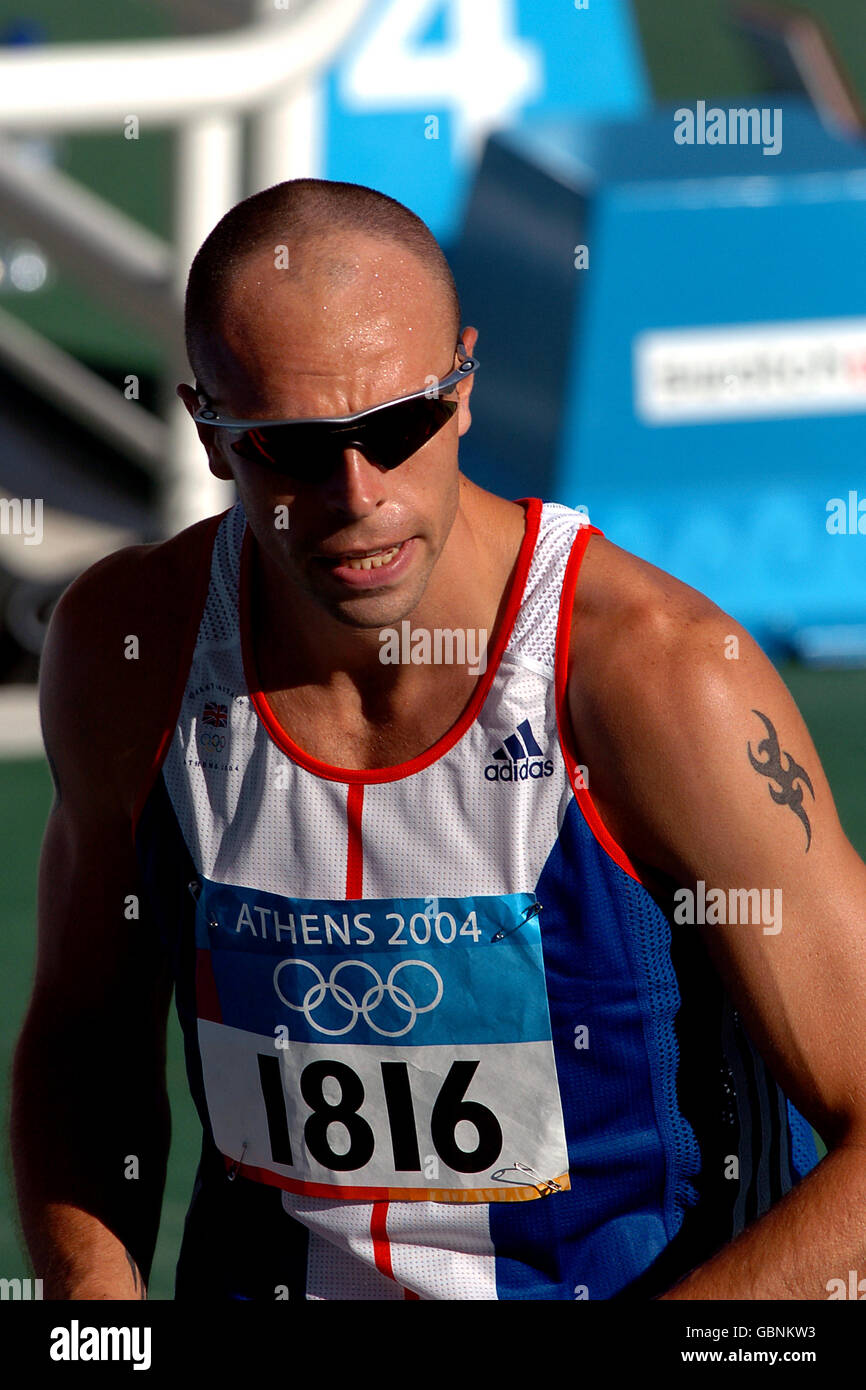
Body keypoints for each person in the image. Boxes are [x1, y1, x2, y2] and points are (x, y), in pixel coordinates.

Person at [12, 178, 866, 1302]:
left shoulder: (653, 677)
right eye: (293, 447)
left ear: (462, 387)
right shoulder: (130, 649)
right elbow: (83, 1043)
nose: (357, 495)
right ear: (212, 436)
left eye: (396, 427)